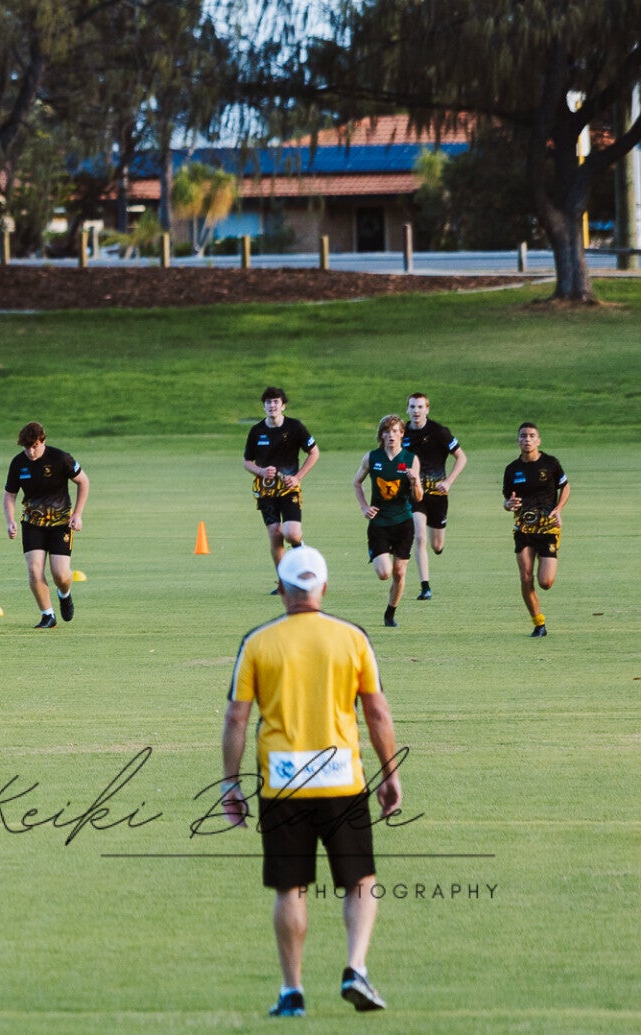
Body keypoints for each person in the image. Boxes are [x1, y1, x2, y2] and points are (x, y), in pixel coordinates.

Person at [220, 546, 401, 1017]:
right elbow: (377, 711)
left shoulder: (258, 643)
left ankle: (292, 992)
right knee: (360, 881)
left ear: (281, 589)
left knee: (291, 889)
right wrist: (390, 773)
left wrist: (228, 783)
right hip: (342, 778)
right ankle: (355, 966)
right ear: (324, 588)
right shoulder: (352, 638)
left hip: (282, 783)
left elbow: (237, 718)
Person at [1, 423, 89, 629]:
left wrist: (77, 514)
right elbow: (10, 494)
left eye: (35, 447)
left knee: (60, 574)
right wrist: (10, 520)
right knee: (34, 569)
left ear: (43, 441)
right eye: (26, 448)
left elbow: (83, 482)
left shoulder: (60, 458)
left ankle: (64, 594)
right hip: (33, 523)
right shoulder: (18, 463)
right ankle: (47, 615)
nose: (31, 452)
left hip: (60, 523)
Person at [244, 387, 320, 592]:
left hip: (289, 489)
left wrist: (297, 478)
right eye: (268, 402)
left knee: (292, 533)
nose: (272, 406)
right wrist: (260, 471)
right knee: (275, 534)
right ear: (263, 406)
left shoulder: (295, 427)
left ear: (283, 405)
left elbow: (314, 453)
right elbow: (247, 462)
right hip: (266, 491)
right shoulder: (257, 431)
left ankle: (301, 551)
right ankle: (284, 583)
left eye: (276, 402)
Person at [352, 415, 424, 629]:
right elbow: (357, 482)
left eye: (395, 431)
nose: (391, 435)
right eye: (387, 431)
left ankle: (390, 613)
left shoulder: (411, 460)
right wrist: (364, 507)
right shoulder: (372, 458)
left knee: (399, 572)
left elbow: (418, 498)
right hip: (379, 523)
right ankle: (376, 552)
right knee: (384, 573)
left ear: (402, 433)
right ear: (381, 435)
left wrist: (415, 481)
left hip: (403, 522)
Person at [502, 422, 568, 637]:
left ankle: (545, 560)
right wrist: (507, 505)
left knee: (545, 582)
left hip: (548, 528)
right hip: (523, 530)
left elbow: (565, 486)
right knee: (525, 576)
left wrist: (558, 509)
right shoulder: (512, 470)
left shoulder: (550, 464)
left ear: (538, 440)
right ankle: (539, 623)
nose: (527, 439)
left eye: (531, 436)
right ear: (518, 441)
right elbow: (507, 500)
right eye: (523, 436)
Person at [398, 393, 466, 600]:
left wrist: (448, 482)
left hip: (437, 494)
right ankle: (425, 587)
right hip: (414, 493)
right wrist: (405, 474)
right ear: (407, 410)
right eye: (412, 407)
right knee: (419, 537)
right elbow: (398, 460)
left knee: (436, 546)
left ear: (427, 409)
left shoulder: (439, 432)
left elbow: (461, 457)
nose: (416, 411)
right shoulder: (402, 433)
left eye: (420, 407)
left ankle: (438, 546)